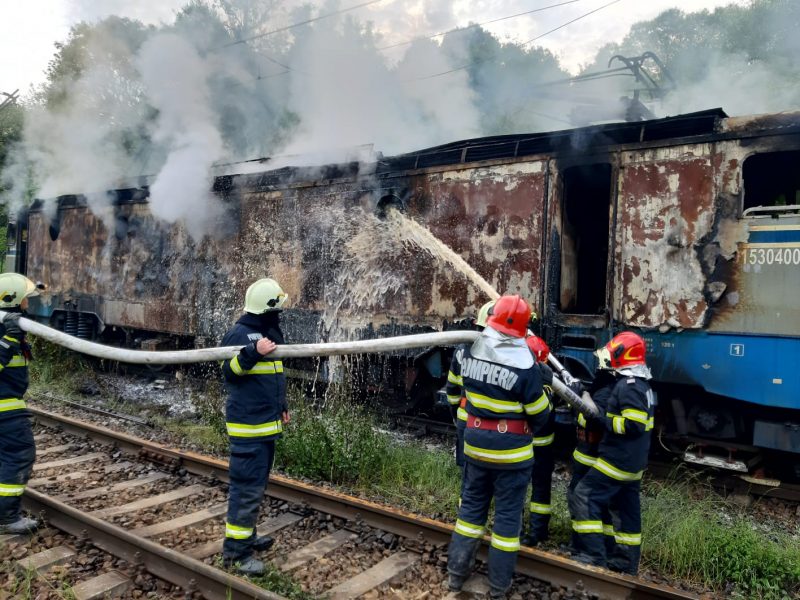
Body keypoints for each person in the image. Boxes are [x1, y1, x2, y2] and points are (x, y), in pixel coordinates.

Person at [446, 295, 551, 599]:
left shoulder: (470, 353)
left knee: (470, 514)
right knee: (506, 522)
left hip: (475, 448)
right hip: (512, 456)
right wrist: (544, 382)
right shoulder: (526, 368)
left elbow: (456, 391)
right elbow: (541, 416)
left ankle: (456, 576)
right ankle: (498, 587)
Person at [568, 332, 655, 575]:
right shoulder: (642, 385)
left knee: (584, 496)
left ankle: (593, 555)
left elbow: (633, 425)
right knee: (626, 510)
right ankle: (626, 562)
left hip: (618, 460)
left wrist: (604, 419)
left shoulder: (628, 387)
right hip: (634, 463)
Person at [220, 278, 290, 576]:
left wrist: (282, 407)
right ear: (266, 309)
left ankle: (247, 536)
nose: (281, 314)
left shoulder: (263, 333)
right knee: (246, 491)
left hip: (265, 427)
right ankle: (237, 554)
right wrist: (253, 352)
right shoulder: (240, 335)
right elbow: (229, 373)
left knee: (255, 488)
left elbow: (271, 378)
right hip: (249, 431)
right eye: (278, 308)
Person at [0, 274, 42, 534]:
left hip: (7, 402)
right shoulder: (6, 332)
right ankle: (6, 518)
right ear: (13, 301)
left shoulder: (9, 326)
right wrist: (10, 340)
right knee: (19, 454)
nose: (29, 303)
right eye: (26, 298)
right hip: (4, 407)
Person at [445, 300, 495, 477]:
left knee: (469, 476)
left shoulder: (462, 350)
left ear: (477, 323)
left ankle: (464, 502)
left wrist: (454, 413)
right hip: (495, 427)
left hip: (465, 419)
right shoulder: (508, 356)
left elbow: (451, 389)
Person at [521, 335, 555, 547]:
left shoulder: (536, 385)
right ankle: (537, 530)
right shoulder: (548, 385)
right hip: (543, 448)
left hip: (527, 446)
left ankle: (534, 531)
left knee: (522, 488)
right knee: (541, 489)